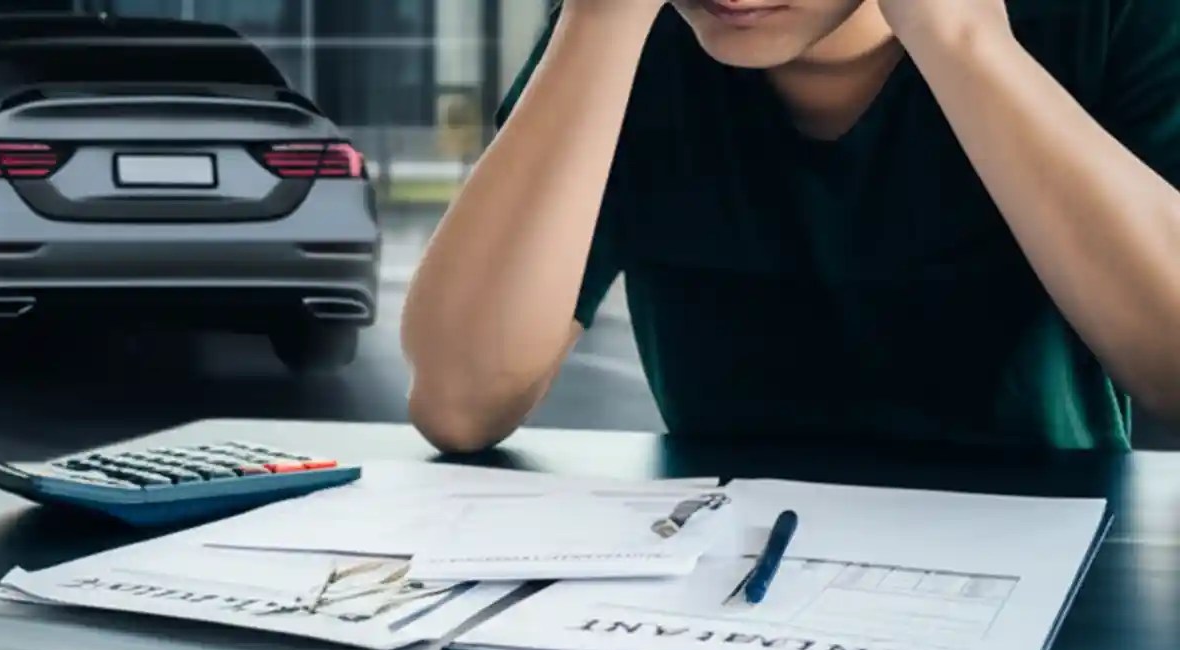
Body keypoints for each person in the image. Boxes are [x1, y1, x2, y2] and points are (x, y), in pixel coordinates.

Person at [400, 0, 1180, 454]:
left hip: (1053, 571)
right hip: (714, 570)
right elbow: (460, 403)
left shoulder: (1109, 17)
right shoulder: (626, 33)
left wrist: (965, 43)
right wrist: (598, 24)